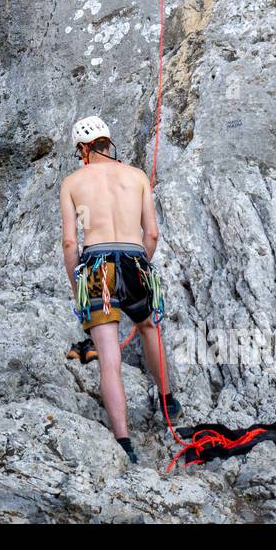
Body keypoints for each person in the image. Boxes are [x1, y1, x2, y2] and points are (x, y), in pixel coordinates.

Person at [59, 115, 180, 464]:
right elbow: (152, 234)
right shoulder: (137, 176)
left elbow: (70, 242)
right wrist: (140, 263)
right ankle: (167, 397)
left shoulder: (72, 182)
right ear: (107, 142)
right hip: (133, 257)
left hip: (96, 265)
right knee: (148, 327)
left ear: (82, 148)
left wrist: (76, 286)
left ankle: (124, 441)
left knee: (109, 359)